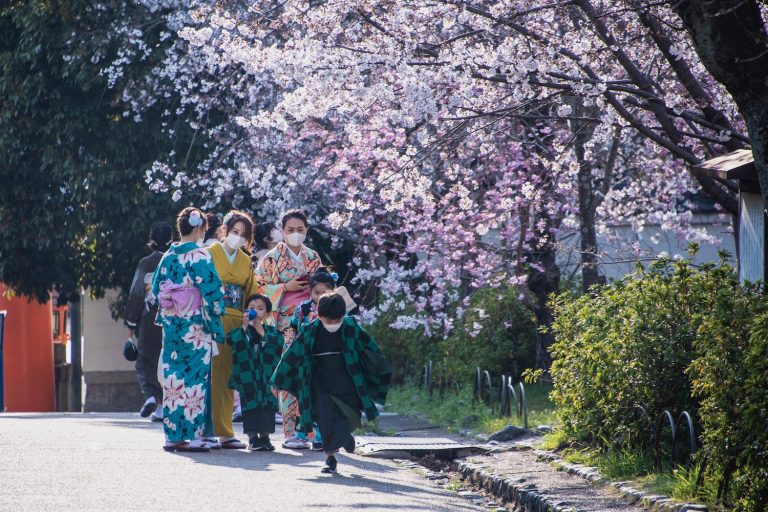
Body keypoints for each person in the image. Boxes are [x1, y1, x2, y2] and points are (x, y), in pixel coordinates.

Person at [271, 292, 391, 474]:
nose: (333, 324)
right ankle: (330, 457)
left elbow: (370, 347)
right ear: (319, 316)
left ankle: (345, 437)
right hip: (320, 383)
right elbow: (292, 354)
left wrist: (380, 367)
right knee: (325, 419)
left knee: (347, 416)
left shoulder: (351, 327)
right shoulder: (310, 330)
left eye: (337, 320)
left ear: (343, 315)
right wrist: (277, 380)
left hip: (348, 381)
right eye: (329, 320)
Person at [151, 207, 225, 452]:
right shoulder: (200, 256)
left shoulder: (167, 256)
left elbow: (156, 289)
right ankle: (194, 435)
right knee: (195, 378)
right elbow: (213, 292)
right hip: (195, 325)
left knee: (173, 378)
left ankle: (173, 435)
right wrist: (216, 321)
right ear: (197, 228)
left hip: (172, 325)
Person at [255, 209, 323, 449]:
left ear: (307, 231)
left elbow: (323, 288)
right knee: (289, 372)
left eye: (300, 230)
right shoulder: (272, 258)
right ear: (282, 232)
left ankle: (311, 431)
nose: (296, 234)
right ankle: (290, 432)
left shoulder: (313, 256)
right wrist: (285, 286)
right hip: (285, 323)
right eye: (291, 230)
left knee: (312, 373)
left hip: (311, 321)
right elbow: (259, 287)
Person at [204, 210, 260, 450]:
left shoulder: (246, 261)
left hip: (236, 320)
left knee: (227, 376)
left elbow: (251, 293)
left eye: (243, 235)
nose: (238, 237)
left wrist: (253, 318)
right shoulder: (207, 254)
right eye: (235, 232)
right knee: (206, 375)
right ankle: (203, 430)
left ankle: (225, 432)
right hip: (209, 319)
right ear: (224, 231)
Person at [123, 222, 173, 422]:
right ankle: (166, 407)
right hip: (172, 315)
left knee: (145, 360)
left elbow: (137, 291)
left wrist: (131, 321)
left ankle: (153, 397)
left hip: (149, 316)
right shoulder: (175, 259)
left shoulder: (146, 262)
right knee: (167, 360)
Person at [225, 294, 282, 451]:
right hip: (247, 376)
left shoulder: (271, 331)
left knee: (266, 406)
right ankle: (252, 439)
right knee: (249, 406)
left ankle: (265, 438)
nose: (255, 311)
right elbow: (230, 340)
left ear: (268, 314)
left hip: (265, 377)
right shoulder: (241, 330)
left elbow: (278, 343)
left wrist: (262, 332)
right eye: (251, 308)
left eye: (260, 308)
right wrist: (244, 327)